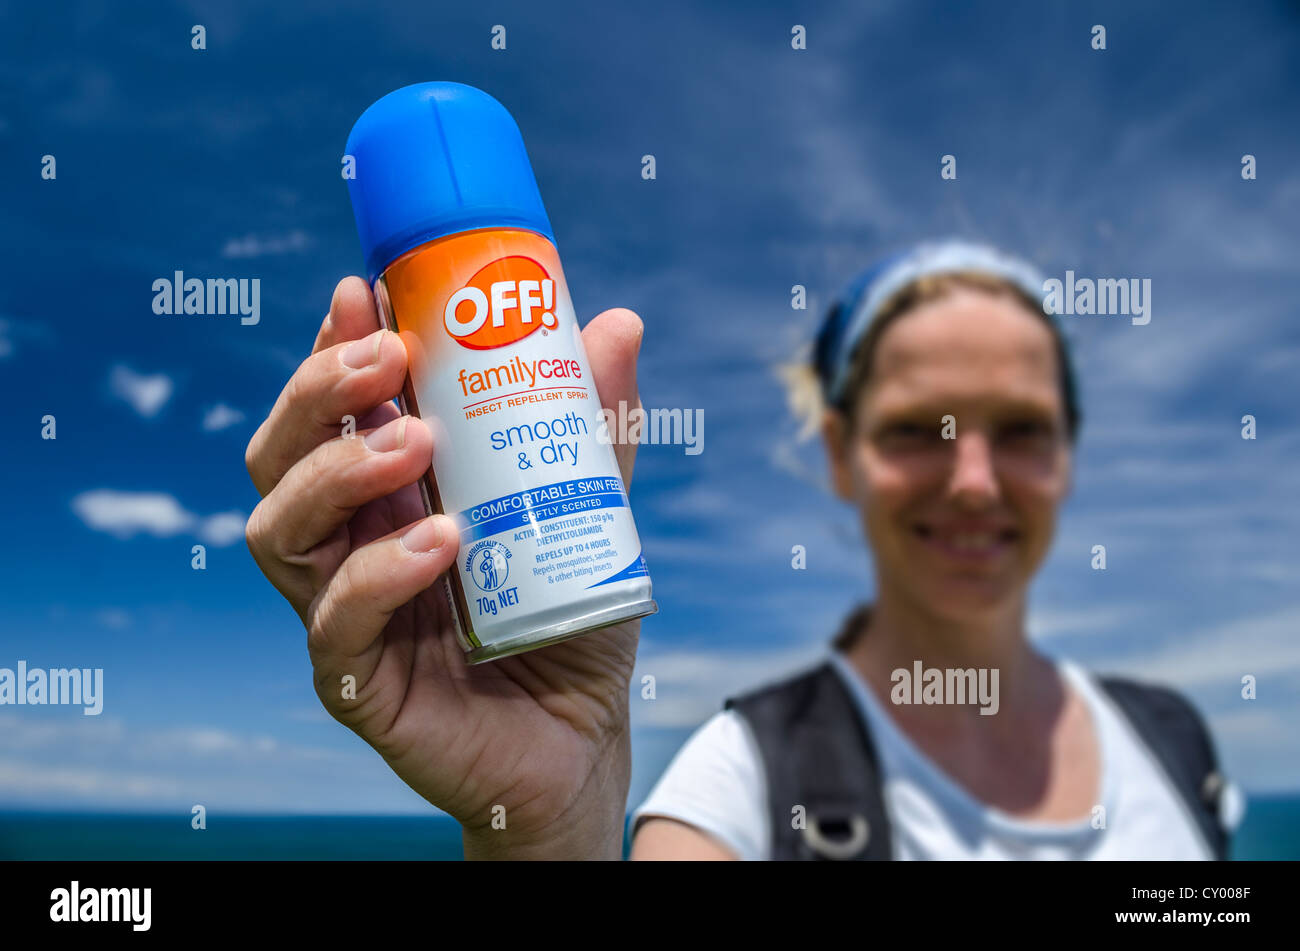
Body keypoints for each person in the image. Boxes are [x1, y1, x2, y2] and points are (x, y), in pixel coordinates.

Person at [244, 239, 1241, 860]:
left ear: (1067, 453)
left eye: (1019, 429)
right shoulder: (739, 787)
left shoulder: (1170, 739)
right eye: (914, 430)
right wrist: (550, 833)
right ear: (842, 456)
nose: (971, 478)